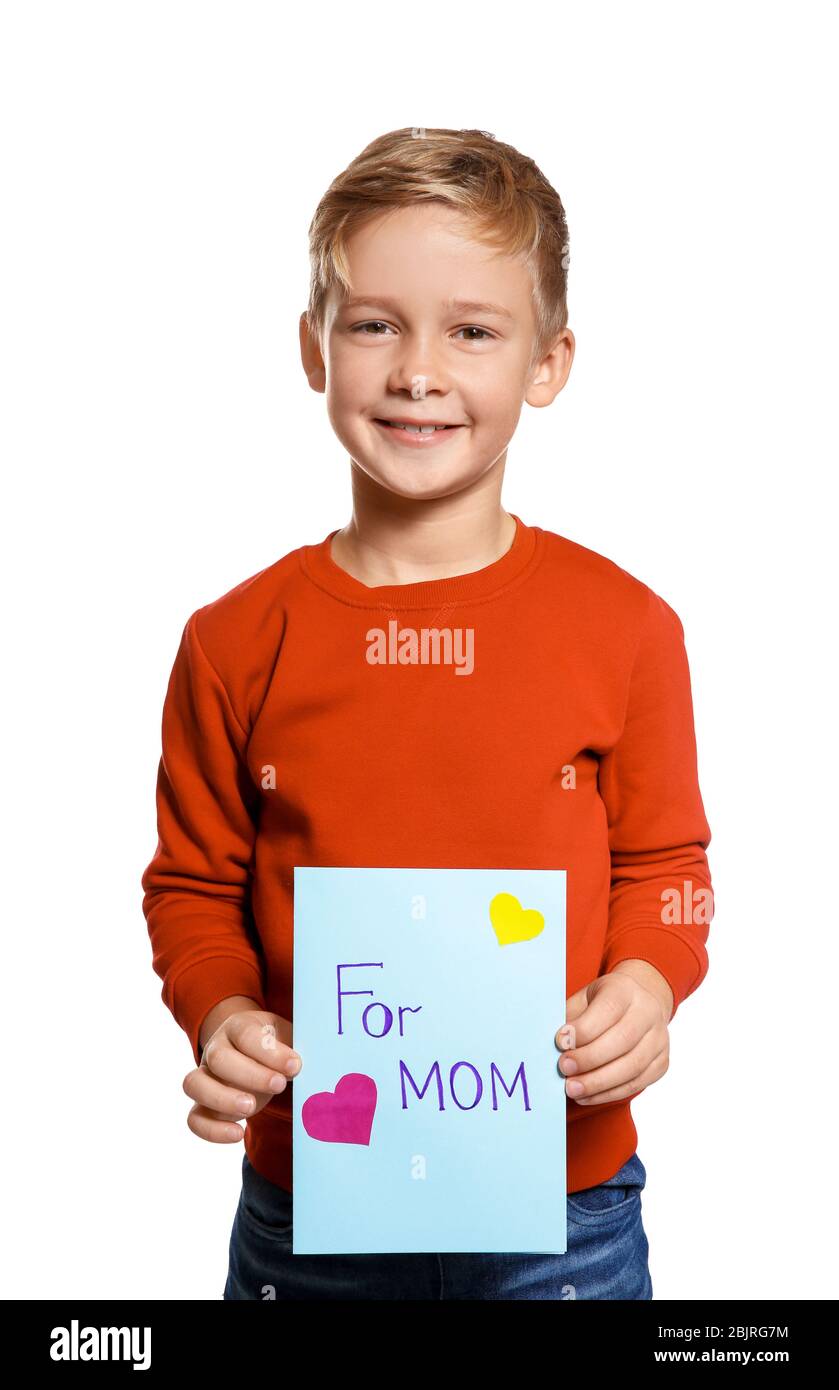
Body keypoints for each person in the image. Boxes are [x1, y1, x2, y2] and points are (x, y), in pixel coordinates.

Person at [141, 126, 714, 1301]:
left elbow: (669, 867)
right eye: (373, 324)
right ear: (313, 349)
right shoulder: (231, 641)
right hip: (309, 1204)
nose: (417, 369)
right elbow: (193, 886)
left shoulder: (626, 628)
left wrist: (649, 984)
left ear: (546, 363)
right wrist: (223, 1015)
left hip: (565, 1212)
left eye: (470, 329)